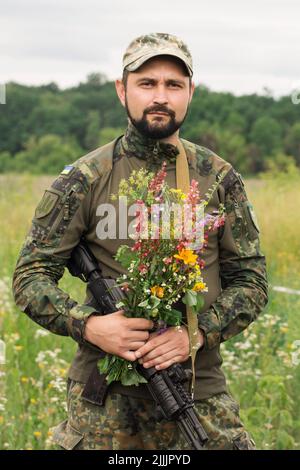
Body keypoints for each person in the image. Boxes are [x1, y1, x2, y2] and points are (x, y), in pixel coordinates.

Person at [12, 32, 268, 450]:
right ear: (122, 90)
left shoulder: (219, 178)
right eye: (147, 83)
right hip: (103, 403)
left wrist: (196, 333)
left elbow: (252, 282)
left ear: (190, 93)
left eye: (174, 85)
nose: (160, 96)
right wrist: (91, 325)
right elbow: (30, 277)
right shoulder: (84, 179)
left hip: (196, 393)